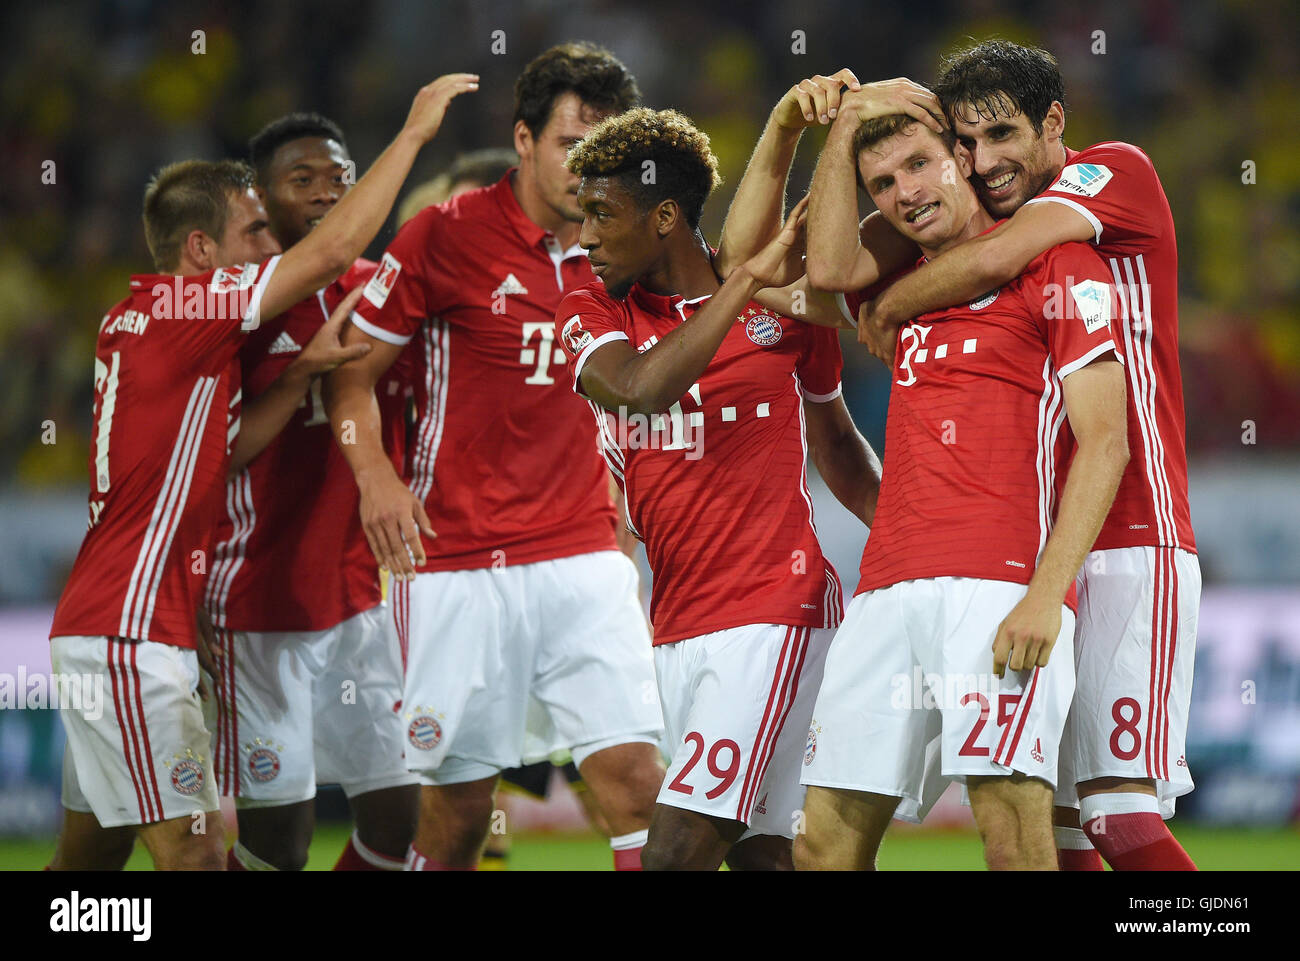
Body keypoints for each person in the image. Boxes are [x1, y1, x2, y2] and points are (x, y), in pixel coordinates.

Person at [45, 71, 481, 871]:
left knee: (86, 866)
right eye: (255, 228)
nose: (270, 246)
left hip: (150, 622)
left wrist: (295, 377)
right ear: (202, 251)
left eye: (334, 177)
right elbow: (337, 247)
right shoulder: (195, 312)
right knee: (202, 855)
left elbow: (220, 446)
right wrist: (415, 132)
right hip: (143, 628)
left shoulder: (147, 320)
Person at [819, 41, 1200, 871]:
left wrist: (888, 308)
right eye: (969, 143)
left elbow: (993, 257)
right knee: (1059, 831)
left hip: (1136, 528)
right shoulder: (993, 227)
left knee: (1118, 814)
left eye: (1002, 136)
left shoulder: (1112, 175)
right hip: (1045, 537)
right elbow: (821, 269)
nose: (985, 162)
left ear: (1054, 122)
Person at [325, 42, 665, 871]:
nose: (590, 167)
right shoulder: (443, 235)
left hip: (582, 551)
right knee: (459, 809)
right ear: (522, 139)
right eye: (571, 143)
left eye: (606, 148)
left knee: (635, 779)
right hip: (457, 563)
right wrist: (374, 478)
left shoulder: (625, 243)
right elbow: (351, 379)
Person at [558, 107, 879, 870]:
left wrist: (916, 539)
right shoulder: (592, 307)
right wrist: (745, 283)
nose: (586, 237)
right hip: (675, 622)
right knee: (768, 857)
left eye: (603, 215)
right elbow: (638, 388)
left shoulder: (785, 316)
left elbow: (836, 445)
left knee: (674, 854)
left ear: (664, 216)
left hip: (775, 613)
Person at [204, 112, 421, 872]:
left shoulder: (383, 293)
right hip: (257, 607)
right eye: (304, 181)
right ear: (260, 198)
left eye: (341, 178)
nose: (329, 194)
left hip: (360, 599)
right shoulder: (232, 307)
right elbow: (208, 458)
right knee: (279, 841)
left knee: (399, 819)